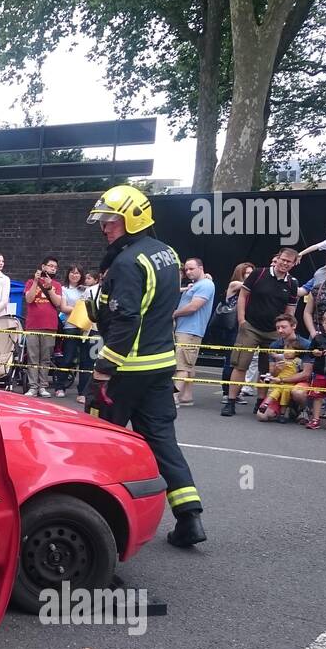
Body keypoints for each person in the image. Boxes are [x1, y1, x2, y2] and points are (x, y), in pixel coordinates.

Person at [82, 184, 205, 548]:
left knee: (100, 443)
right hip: (160, 366)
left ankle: (96, 525)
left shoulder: (127, 261)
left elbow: (126, 320)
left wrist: (103, 369)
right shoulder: (166, 253)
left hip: (126, 371)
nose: (105, 228)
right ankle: (189, 517)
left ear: (133, 220)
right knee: (163, 442)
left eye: (111, 221)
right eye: (103, 221)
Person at [222, 248, 300, 416]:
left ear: (293, 264)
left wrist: (284, 330)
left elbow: (290, 310)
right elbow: (242, 296)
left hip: (274, 331)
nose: (284, 263)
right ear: (277, 258)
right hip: (250, 327)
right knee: (240, 365)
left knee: (267, 369)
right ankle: (230, 402)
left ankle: (260, 402)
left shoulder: (292, 283)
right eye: (283, 259)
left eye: (289, 262)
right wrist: (241, 320)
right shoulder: (259, 273)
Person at [172, 257, 214, 406]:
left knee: (181, 365)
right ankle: (186, 396)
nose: (188, 272)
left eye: (191, 269)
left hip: (190, 330)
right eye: (186, 269)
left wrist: (174, 313)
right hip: (188, 330)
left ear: (201, 268)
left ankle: (173, 398)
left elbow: (193, 307)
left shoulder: (205, 285)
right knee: (188, 364)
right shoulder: (198, 284)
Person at [254, 315, 312, 423]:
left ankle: (304, 409)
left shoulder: (306, 345)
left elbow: (306, 374)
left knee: (297, 392)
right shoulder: (275, 345)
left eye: (283, 327)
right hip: (280, 384)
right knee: (262, 416)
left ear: (294, 326)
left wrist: (282, 380)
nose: (280, 330)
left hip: (300, 383)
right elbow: (272, 372)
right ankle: (285, 408)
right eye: (278, 328)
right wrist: (276, 369)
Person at [210, 261, 254, 402]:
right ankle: (226, 392)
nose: (250, 276)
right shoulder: (235, 284)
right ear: (240, 273)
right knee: (230, 360)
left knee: (242, 363)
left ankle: (236, 392)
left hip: (245, 327)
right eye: (247, 273)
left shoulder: (250, 291)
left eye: (252, 273)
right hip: (232, 327)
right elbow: (249, 286)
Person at [23, 256, 63, 397]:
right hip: (33, 325)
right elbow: (29, 299)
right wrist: (35, 281)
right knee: (33, 357)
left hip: (50, 325)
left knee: (46, 358)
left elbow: (58, 303)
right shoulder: (30, 282)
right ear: (43, 266)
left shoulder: (56, 285)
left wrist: (49, 287)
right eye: (50, 266)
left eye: (55, 267)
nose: (53, 268)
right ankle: (33, 386)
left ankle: (43, 386)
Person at [52, 264, 86, 396]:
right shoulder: (64, 289)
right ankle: (60, 387)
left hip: (85, 328)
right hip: (70, 326)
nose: (75, 275)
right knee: (68, 358)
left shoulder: (86, 289)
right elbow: (64, 308)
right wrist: (82, 308)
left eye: (77, 273)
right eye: (72, 272)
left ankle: (83, 391)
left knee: (85, 360)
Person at [75, 271, 101, 403]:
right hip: (94, 330)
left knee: (88, 362)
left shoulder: (90, 290)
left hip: (91, 330)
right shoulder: (92, 290)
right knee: (90, 362)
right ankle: (86, 392)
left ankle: (84, 392)